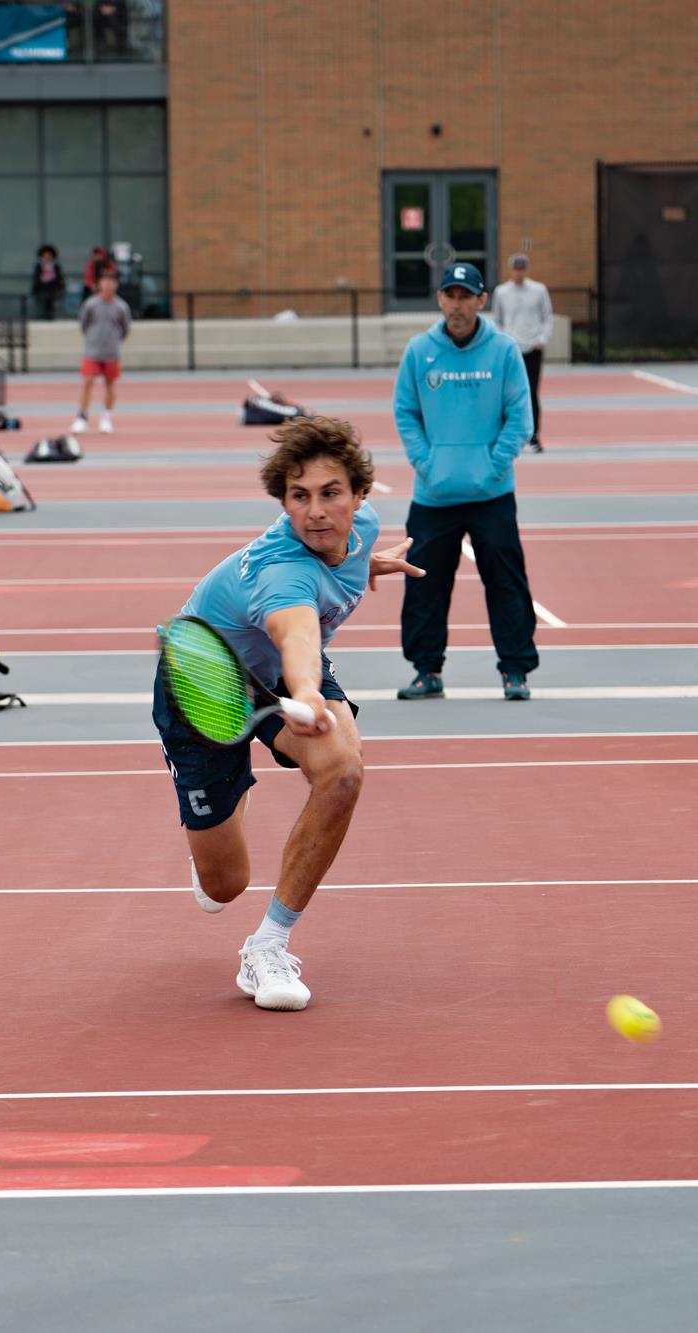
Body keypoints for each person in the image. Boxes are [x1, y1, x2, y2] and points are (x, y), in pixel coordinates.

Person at [155, 416, 422, 1010]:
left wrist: (368, 565)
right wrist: (303, 695)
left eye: (330, 494)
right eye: (298, 498)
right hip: (204, 683)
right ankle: (225, 805)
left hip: (273, 672)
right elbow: (296, 635)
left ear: (359, 495)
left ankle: (267, 945)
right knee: (223, 886)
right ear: (283, 503)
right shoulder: (282, 576)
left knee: (343, 771)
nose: (316, 512)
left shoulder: (362, 528)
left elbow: (326, 586)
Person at [393, 261, 538, 703]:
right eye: (449, 295)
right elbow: (406, 412)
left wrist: (494, 465)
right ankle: (426, 671)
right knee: (424, 584)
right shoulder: (420, 351)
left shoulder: (504, 350)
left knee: (507, 582)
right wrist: (427, 464)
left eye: (465, 296)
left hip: (492, 493)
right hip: (434, 494)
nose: (457, 305)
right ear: (440, 299)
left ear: (481, 301)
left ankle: (515, 670)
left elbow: (520, 417)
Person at [489, 253, 552, 452]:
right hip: (511, 349)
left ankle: (534, 437)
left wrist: (542, 340)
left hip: (532, 348)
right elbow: (497, 319)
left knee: (531, 392)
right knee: (507, 394)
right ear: (510, 269)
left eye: (522, 267)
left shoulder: (539, 290)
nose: (519, 271)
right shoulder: (501, 292)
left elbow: (547, 317)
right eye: (516, 267)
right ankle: (507, 436)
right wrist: (502, 341)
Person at [71, 269, 131, 434]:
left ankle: (106, 417)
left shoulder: (121, 306)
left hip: (111, 353)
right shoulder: (91, 304)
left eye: (111, 281)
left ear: (116, 285)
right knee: (87, 382)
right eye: (104, 281)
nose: (107, 285)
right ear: (98, 284)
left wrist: (114, 342)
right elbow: (83, 324)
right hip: (92, 352)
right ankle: (81, 417)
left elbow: (125, 328)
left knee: (110, 384)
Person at [31, 245, 65, 320]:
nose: (47, 257)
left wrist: (60, 289)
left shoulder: (56, 267)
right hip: (42, 290)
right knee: (43, 305)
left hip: (53, 290)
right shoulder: (38, 266)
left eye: (49, 255)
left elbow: (60, 279)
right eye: (45, 256)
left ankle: (51, 317)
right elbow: (36, 279)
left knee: (51, 305)